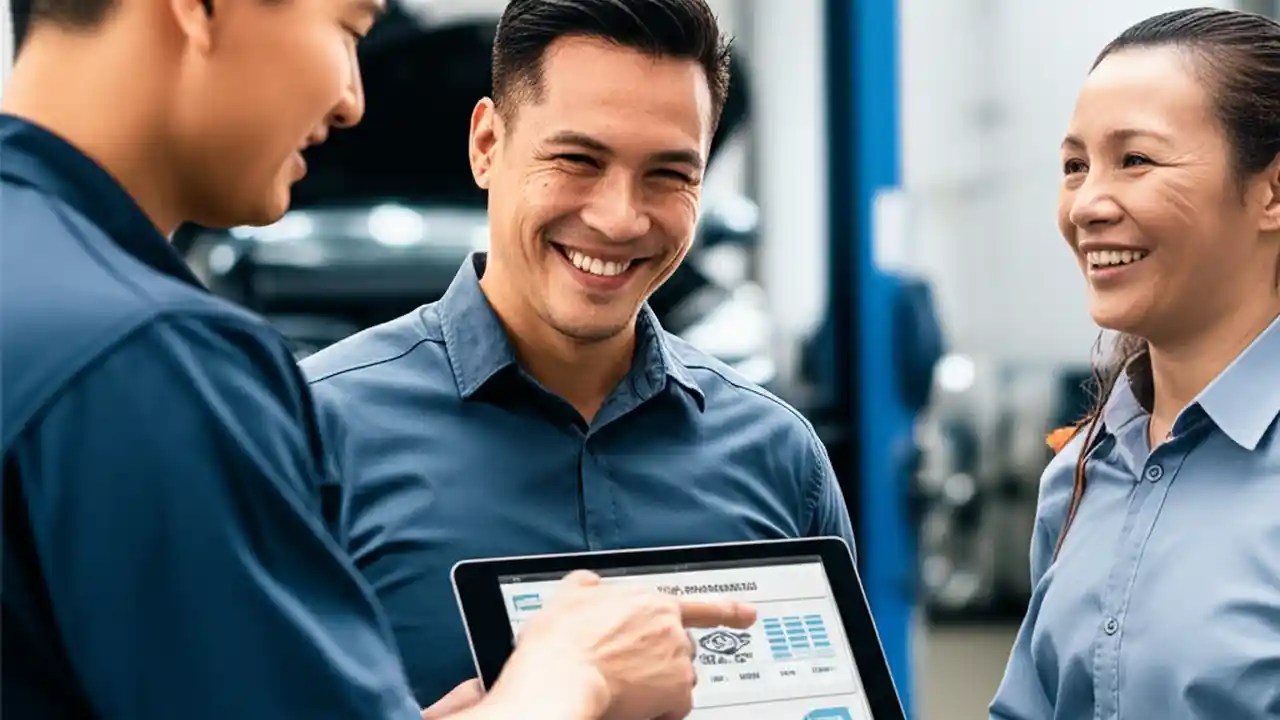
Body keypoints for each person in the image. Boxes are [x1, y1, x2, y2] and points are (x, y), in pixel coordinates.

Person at [0, 0, 755, 718]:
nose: (350, 99)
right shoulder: (146, 360)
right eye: (346, 26)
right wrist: (568, 679)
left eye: (670, 173)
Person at [299, 0, 858, 706]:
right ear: (487, 145)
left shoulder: (779, 459)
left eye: (669, 175)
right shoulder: (312, 435)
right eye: (577, 159)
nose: (619, 218)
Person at [990, 8, 1280, 719]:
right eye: (1074, 166)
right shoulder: (1081, 474)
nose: (1087, 204)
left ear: (1271, 192)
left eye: (1137, 159)